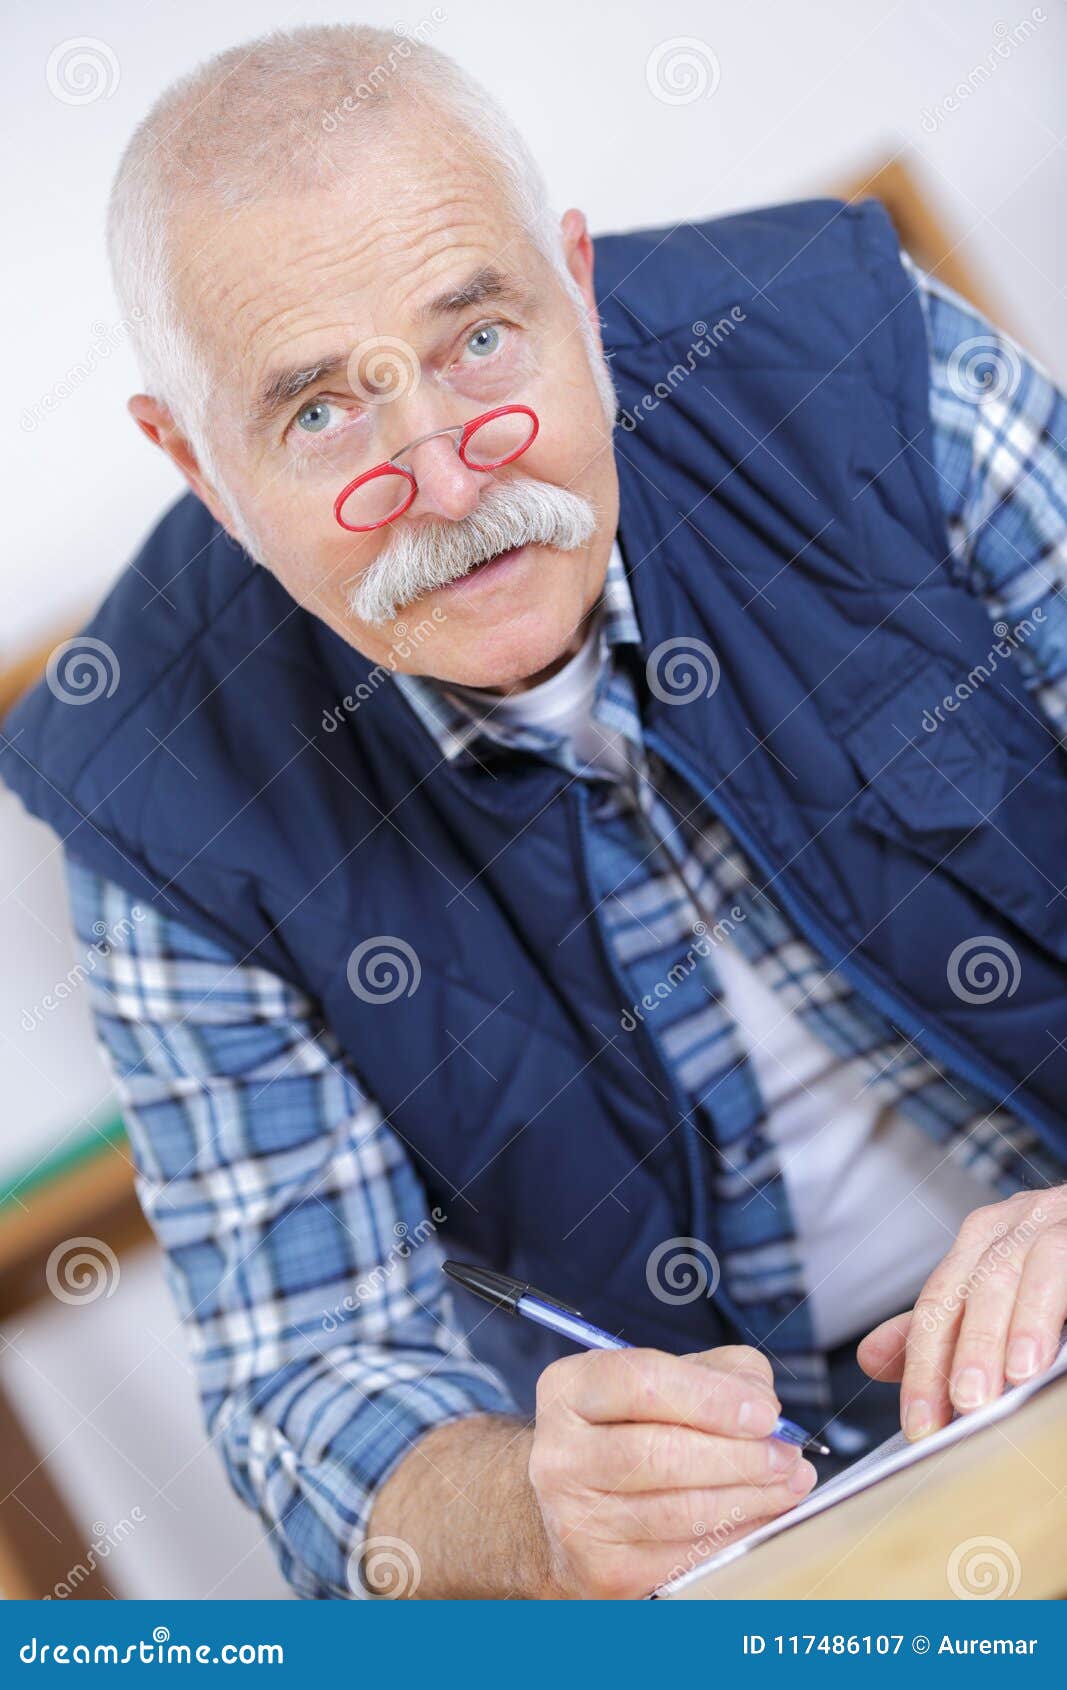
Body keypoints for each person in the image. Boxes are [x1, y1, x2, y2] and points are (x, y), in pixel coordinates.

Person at [4, 24, 1066, 1600]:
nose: (442, 475)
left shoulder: (867, 366)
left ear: (572, 283)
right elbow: (311, 1392)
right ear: (200, 466)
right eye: (315, 413)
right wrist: (539, 1509)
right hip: (778, 1559)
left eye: (481, 338)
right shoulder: (155, 779)